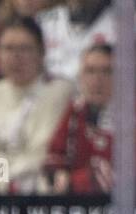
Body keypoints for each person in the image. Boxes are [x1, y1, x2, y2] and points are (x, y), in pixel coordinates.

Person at [0, 16, 73, 194]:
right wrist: (4, 175)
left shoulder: (59, 91)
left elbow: (40, 157)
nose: (15, 57)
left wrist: (0, 171)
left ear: (42, 53)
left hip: (40, 193)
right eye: (8, 48)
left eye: (24, 49)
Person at [43, 43, 113, 195]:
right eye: (90, 71)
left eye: (107, 72)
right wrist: (58, 174)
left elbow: (120, 173)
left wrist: (72, 181)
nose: (97, 80)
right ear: (80, 76)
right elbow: (54, 155)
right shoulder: (76, 109)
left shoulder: (133, 114)